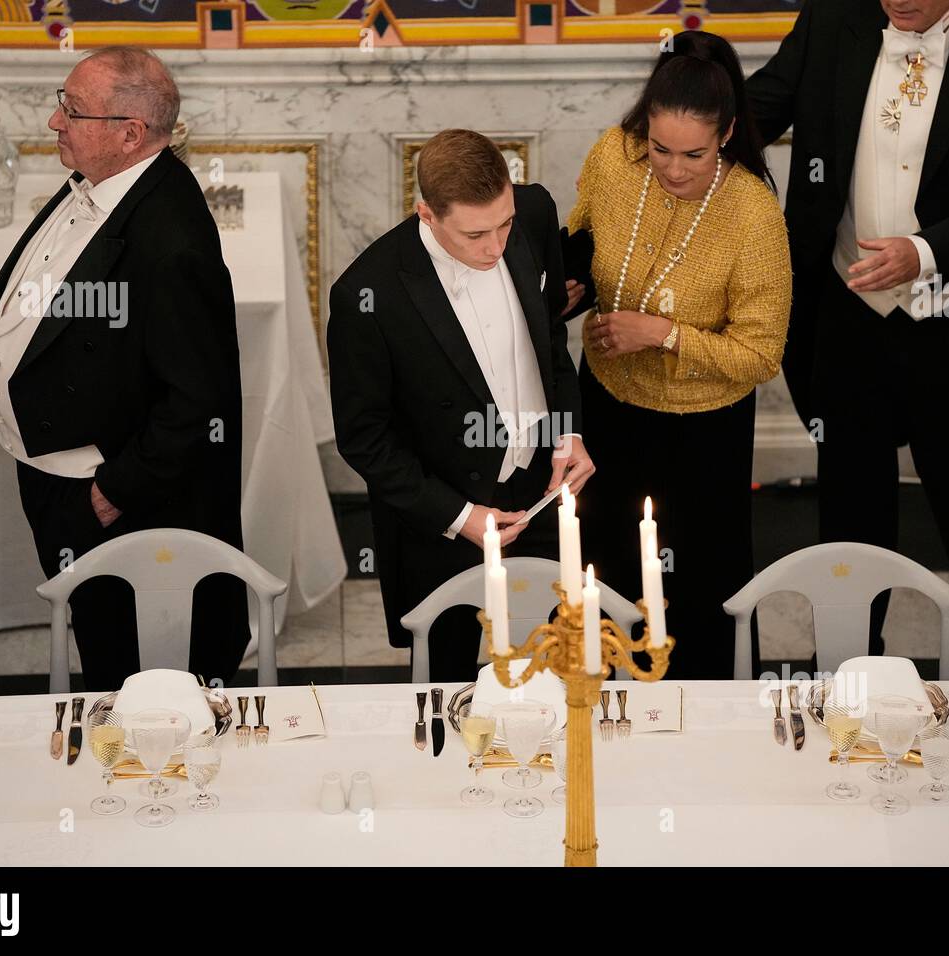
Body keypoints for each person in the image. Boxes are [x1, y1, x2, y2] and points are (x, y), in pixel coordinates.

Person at [748, 0, 949, 678]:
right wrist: (671, 126)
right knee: (850, 501)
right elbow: (753, 113)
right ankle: (847, 663)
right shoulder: (832, 22)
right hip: (848, 309)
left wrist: (924, 253)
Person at [0, 47, 248, 690]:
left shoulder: (173, 241)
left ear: (130, 134)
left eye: (72, 110)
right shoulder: (100, 185)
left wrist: (109, 495)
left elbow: (196, 402)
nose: (53, 122)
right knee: (93, 629)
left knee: (127, 668)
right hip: (51, 464)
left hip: (107, 492)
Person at [329, 129, 594, 682]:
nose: (496, 246)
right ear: (427, 213)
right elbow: (364, 437)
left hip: (541, 487)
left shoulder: (535, 211)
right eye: (475, 234)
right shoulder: (367, 292)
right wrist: (458, 516)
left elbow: (548, 341)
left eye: (504, 224)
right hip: (443, 517)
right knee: (446, 689)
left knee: (559, 672)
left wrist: (568, 434)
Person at [566, 31, 791, 679]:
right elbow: (584, 239)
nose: (672, 167)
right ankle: (596, 723)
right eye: (660, 148)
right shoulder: (615, 157)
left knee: (695, 598)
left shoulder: (751, 211)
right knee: (599, 580)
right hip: (607, 411)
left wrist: (659, 333)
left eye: (692, 153)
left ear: (725, 135)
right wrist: (571, 290)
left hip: (704, 437)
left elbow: (759, 355)